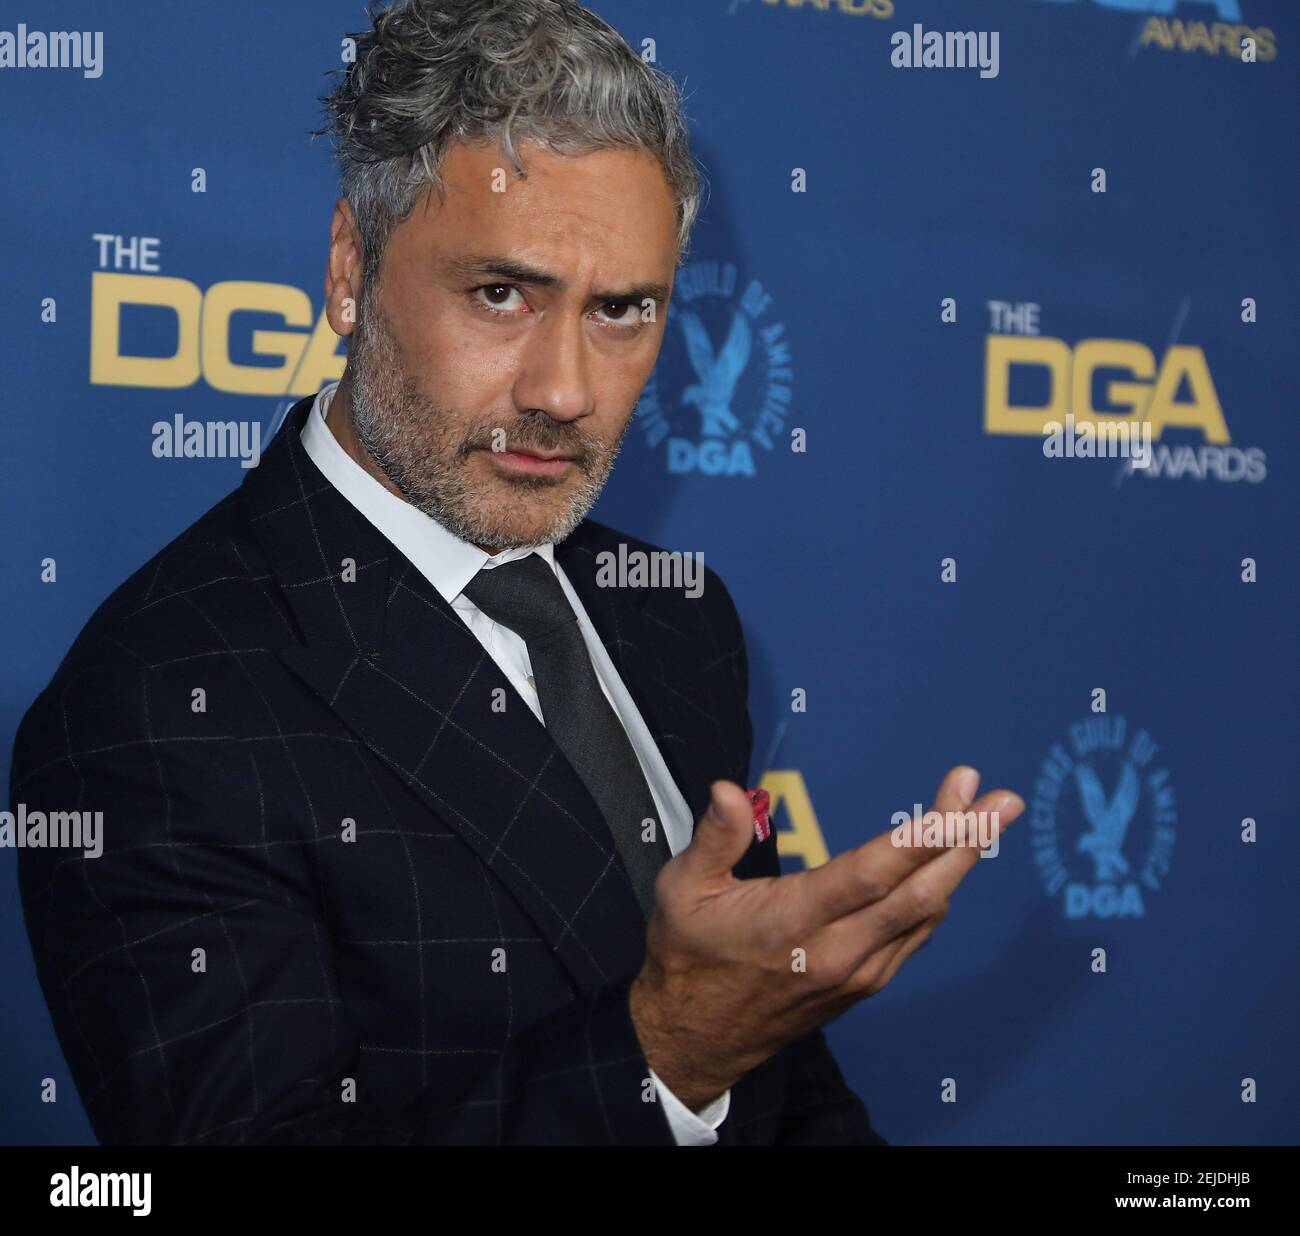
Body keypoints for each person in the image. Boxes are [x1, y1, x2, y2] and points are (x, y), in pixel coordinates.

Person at [11, 0, 1024, 1145]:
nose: (564, 390)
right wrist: (672, 1047)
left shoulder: (678, 620)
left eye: (621, 312)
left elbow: (782, 1093)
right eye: (502, 293)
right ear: (352, 269)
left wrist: (734, 1020)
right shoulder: (157, 705)